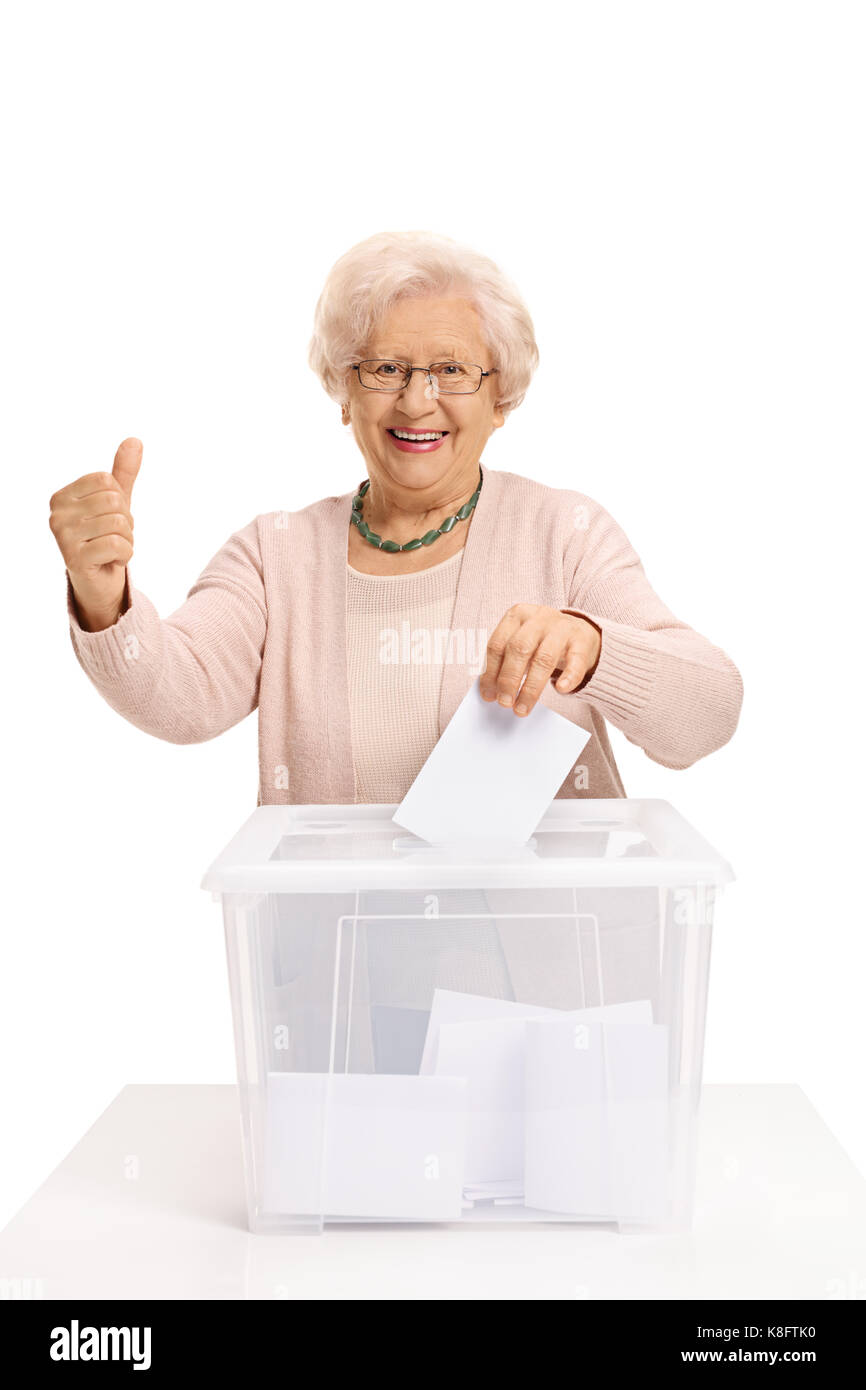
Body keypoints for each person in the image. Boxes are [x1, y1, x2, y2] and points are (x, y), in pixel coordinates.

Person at [48, 229, 743, 812]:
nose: (417, 401)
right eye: (385, 368)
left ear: (501, 398)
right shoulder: (274, 556)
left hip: (542, 968)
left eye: (453, 370)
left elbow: (707, 715)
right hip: (337, 967)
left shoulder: (565, 534)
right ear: (343, 390)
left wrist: (594, 649)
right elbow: (182, 697)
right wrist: (104, 598)